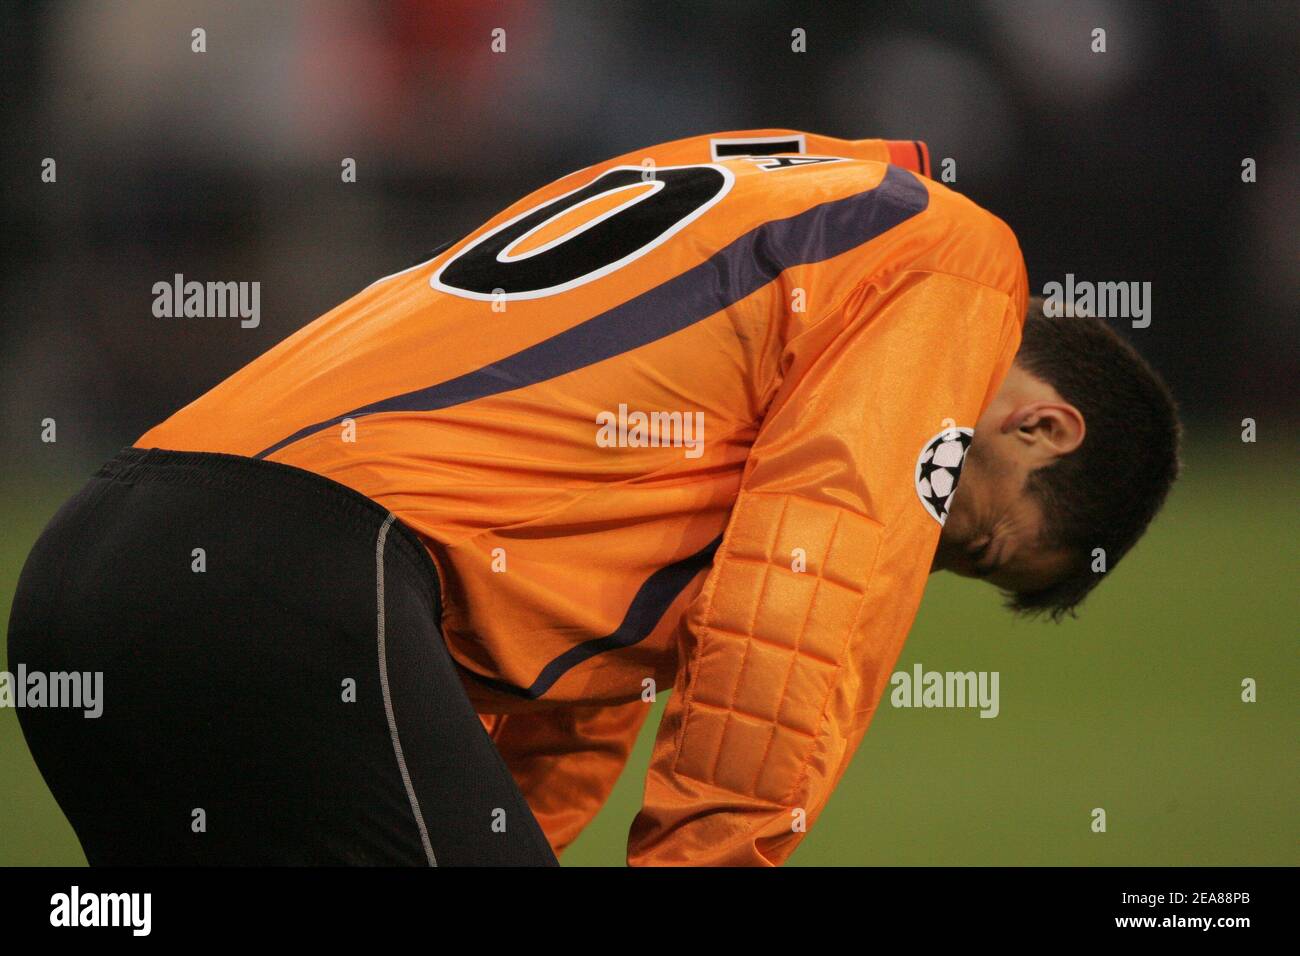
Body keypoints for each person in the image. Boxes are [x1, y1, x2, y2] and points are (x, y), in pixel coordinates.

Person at [7, 129, 1179, 866]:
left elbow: (574, 666)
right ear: (1042, 423)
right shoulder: (952, 266)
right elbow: (806, 597)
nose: (922, 550)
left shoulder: (783, 191)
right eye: (965, 534)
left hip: (95, 565)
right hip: (304, 585)